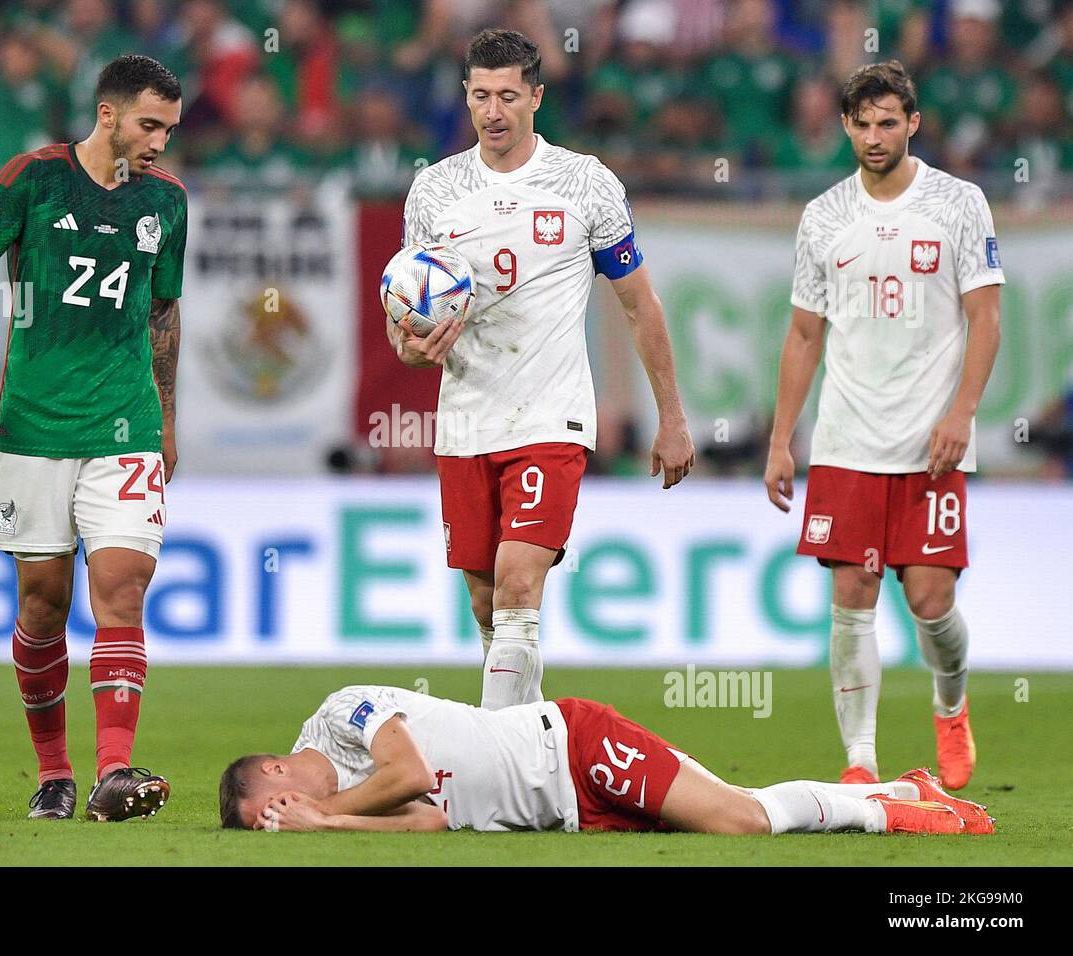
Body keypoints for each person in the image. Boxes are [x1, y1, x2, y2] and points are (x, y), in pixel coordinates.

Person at [390, 29, 694, 710]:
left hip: (550, 415)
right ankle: (529, 738)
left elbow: (640, 305)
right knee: (486, 601)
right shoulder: (433, 192)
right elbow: (403, 318)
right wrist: (411, 347)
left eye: (505, 96)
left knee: (520, 584)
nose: (491, 111)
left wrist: (671, 418)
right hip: (466, 418)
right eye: (478, 96)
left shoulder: (585, 183)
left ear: (536, 96)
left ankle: (496, 763)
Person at [0, 54, 187, 821]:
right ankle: (55, 773)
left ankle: (114, 772)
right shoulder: (32, 178)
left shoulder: (168, 202)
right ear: (107, 115)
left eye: (171, 130)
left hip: (126, 427)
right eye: (150, 126)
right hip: (35, 427)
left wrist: (168, 420)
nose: (160, 144)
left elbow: (163, 316)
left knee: (122, 590)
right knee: (43, 606)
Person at [765, 61, 1004, 789]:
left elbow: (986, 316)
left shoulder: (959, 204)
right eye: (862, 124)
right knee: (853, 600)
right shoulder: (824, 217)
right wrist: (782, 438)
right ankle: (860, 761)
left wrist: (961, 413)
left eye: (888, 122)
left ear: (913, 123)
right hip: (845, 440)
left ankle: (950, 701)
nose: (874, 136)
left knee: (932, 603)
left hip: (929, 441)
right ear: (845, 126)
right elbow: (805, 334)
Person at [218, 685, 994, 835]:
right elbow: (427, 820)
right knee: (740, 802)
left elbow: (413, 775)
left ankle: (888, 814)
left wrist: (324, 816)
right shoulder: (341, 807)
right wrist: (333, 829)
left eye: (269, 812)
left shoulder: (339, 714)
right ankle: (908, 784)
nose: (277, 826)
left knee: (742, 823)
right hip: (567, 812)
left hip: (573, 745)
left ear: (276, 772)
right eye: (268, 829)